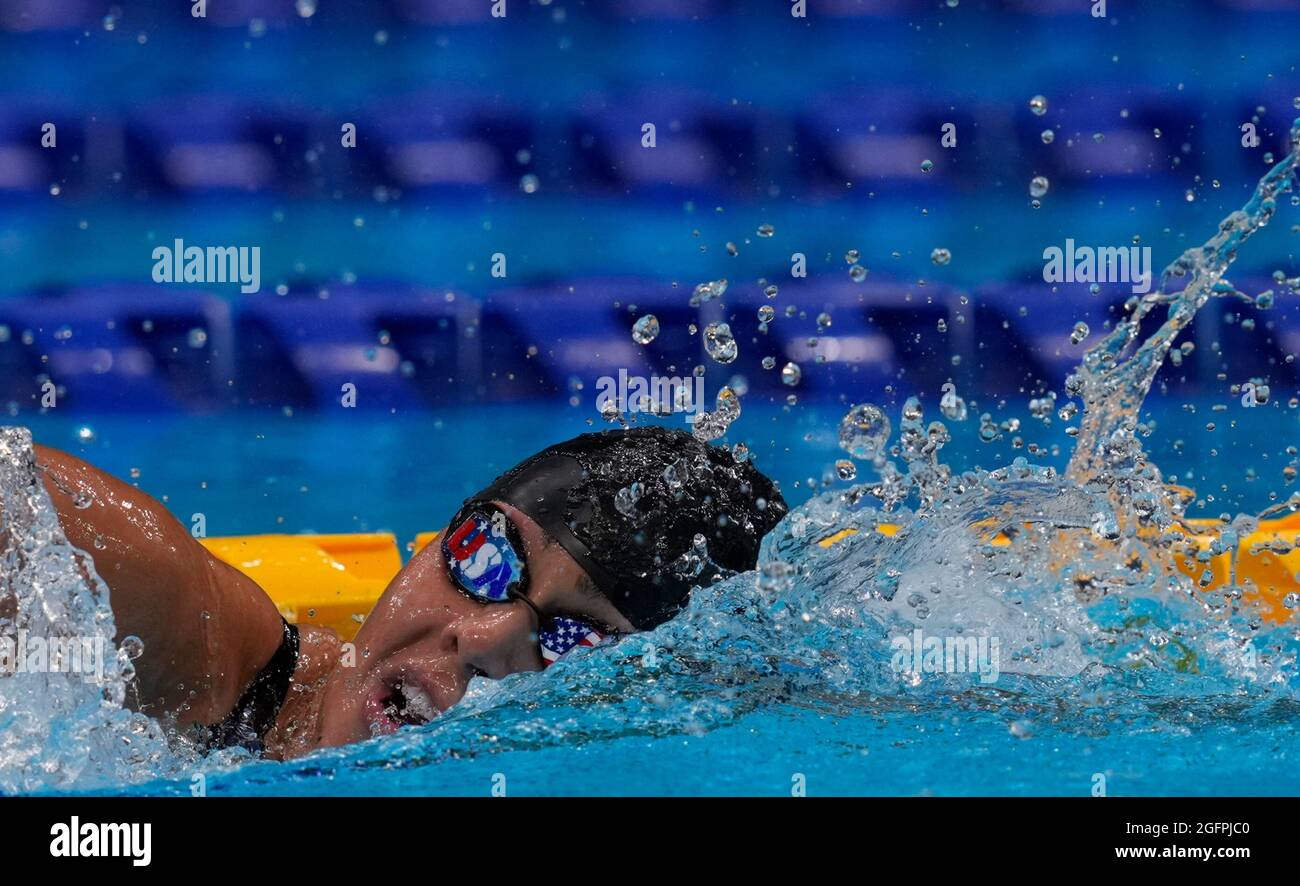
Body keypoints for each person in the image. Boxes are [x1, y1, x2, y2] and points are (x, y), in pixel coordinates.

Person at [29, 426, 787, 759]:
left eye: (571, 641)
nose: (484, 638)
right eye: (485, 557)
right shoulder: (159, 617)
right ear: (438, 534)